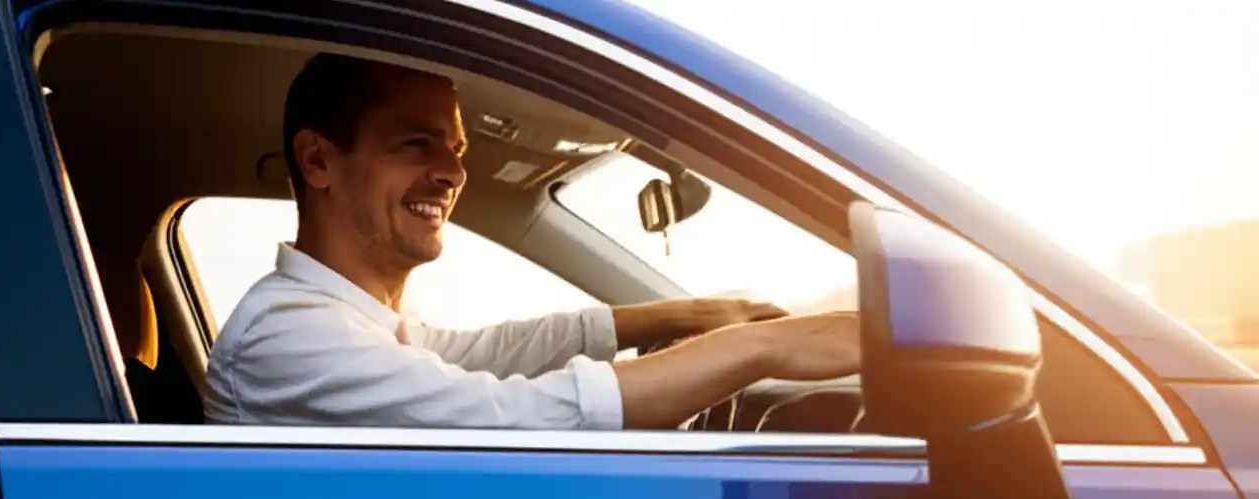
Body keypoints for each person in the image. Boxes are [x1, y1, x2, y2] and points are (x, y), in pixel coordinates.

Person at [203, 53, 860, 430]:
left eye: (455, 149)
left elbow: (488, 353)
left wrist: (686, 315)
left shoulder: (354, 322)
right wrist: (765, 346)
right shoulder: (289, 334)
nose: (453, 172)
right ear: (318, 161)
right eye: (415, 143)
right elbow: (511, 414)